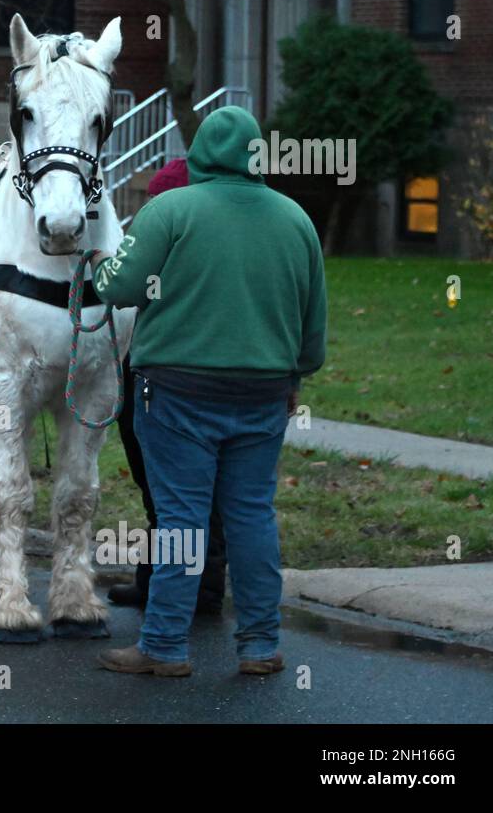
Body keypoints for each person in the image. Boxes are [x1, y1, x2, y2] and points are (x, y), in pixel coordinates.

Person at [90, 106, 327, 678]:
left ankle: (165, 647)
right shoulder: (295, 220)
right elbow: (312, 329)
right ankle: (261, 645)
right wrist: (294, 372)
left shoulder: (170, 209)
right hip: (265, 393)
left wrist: (97, 264)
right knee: (251, 516)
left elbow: (116, 287)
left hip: (176, 392)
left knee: (181, 522)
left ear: (197, 155)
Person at [108, 157, 227, 616]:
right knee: (175, 489)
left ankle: (189, 595)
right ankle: (180, 582)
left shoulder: (176, 239)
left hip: (166, 377)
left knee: (176, 491)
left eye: (156, 203)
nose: (148, 214)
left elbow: (121, 287)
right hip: (190, 374)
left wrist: (103, 266)